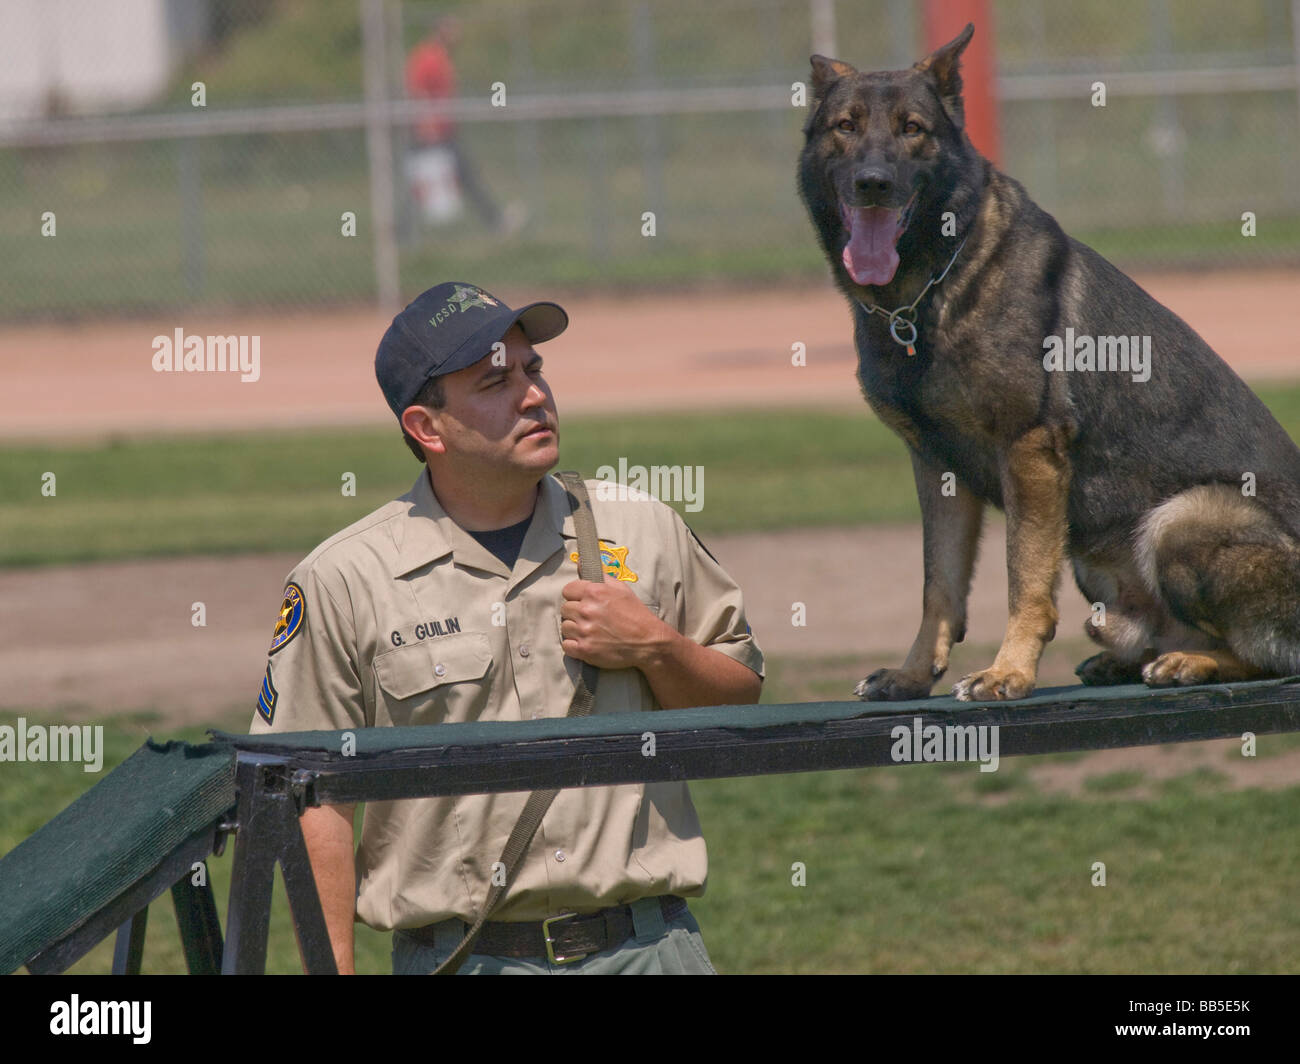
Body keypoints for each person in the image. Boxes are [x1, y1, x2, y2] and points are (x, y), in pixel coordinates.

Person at [250, 281, 764, 974]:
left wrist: (655, 648)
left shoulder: (641, 529)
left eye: (534, 370)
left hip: (647, 949)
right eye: (496, 381)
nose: (532, 396)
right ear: (427, 428)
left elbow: (741, 703)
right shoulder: (344, 579)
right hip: (464, 958)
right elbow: (311, 798)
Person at [404, 17, 524, 234]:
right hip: (430, 132)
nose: (457, 36)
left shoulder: (441, 57)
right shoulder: (428, 57)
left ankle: (496, 221)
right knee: (421, 183)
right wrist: (427, 125)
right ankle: (401, 233)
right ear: (441, 30)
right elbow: (419, 92)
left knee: (463, 176)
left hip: (443, 131)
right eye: (453, 30)